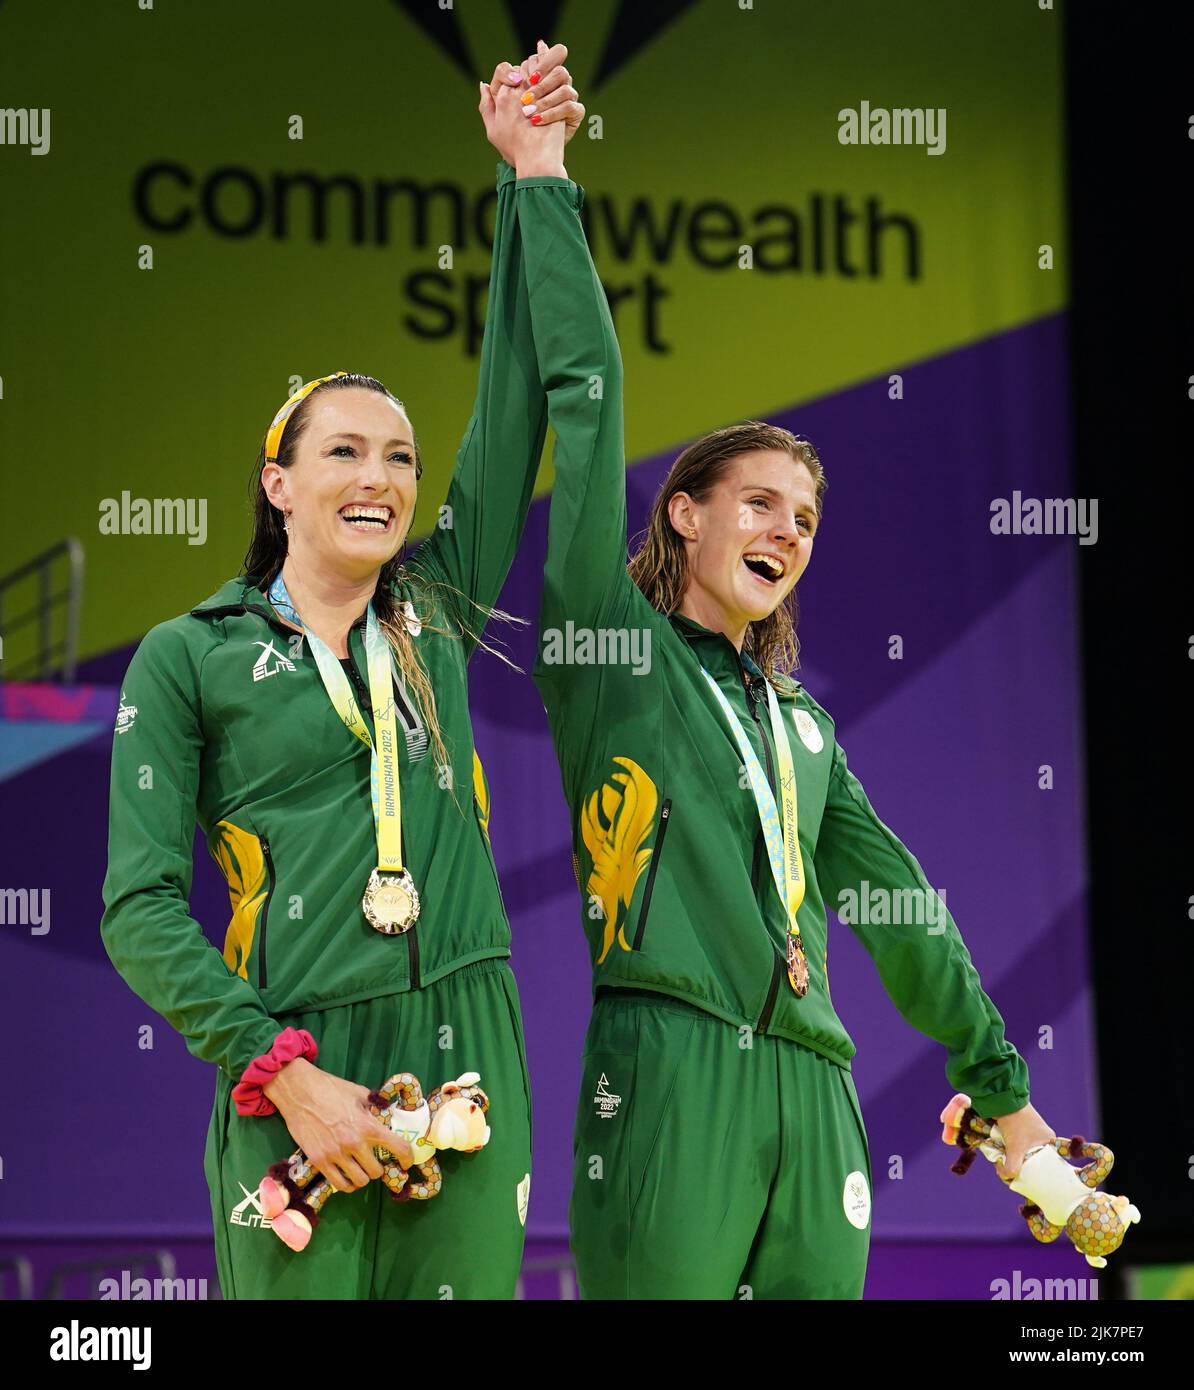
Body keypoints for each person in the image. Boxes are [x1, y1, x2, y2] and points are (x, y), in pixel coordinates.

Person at [513, 131, 1057, 1299]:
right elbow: (586, 400)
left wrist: (1006, 1096)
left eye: (805, 520)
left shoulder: (800, 727)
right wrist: (544, 182)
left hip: (816, 1084)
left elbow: (901, 910)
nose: (786, 533)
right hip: (672, 1067)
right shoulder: (610, 655)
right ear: (685, 518)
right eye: (758, 503)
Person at [100, 41, 585, 1300]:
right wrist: (279, 1071)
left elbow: (523, 393)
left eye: (403, 459)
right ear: (278, 482)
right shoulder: (186, 656)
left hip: (469, 1039)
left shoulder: (434, 606)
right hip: (296, 1057)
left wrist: (534, 175)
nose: (382, 478)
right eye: (346, 452)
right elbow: (138, 909)